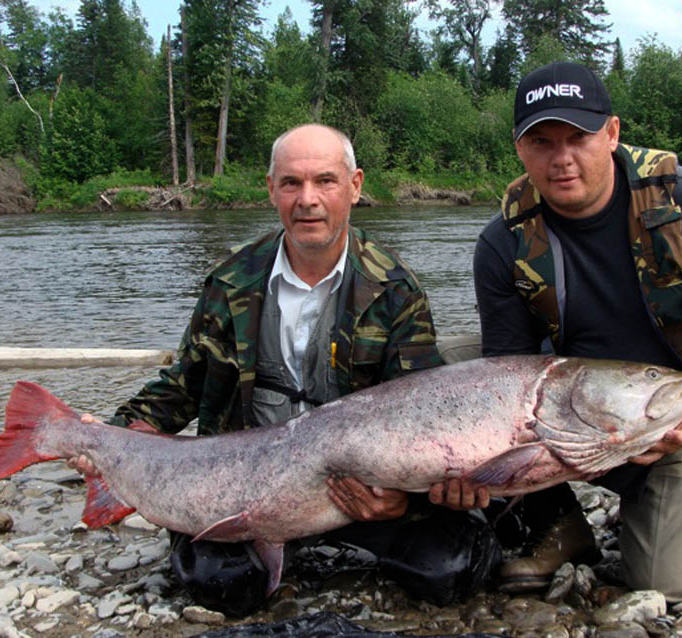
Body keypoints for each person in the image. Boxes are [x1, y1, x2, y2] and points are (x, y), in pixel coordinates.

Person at [68, 123, 500, 615]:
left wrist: (408, 502)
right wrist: (110, 436)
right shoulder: (230, 280)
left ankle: (344, 540)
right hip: (242, 491)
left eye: (325, 181)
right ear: (271, 189)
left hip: (359, 496)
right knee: (221, 584)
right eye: (291, 183)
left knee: (453, 570)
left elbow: (423, 416)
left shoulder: (397, 290)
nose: (307, 199)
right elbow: (182, 386)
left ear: (355, 187)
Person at [471, 61, 682, 601]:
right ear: (519, 148)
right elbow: (509, 371)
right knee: (451, 367)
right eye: (542, 142)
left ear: (613, 133)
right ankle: (561, 524)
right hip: (581, 410)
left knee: (666, 584)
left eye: (579, 137)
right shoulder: (502, 241)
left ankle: (662, 495)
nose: (562, 158)